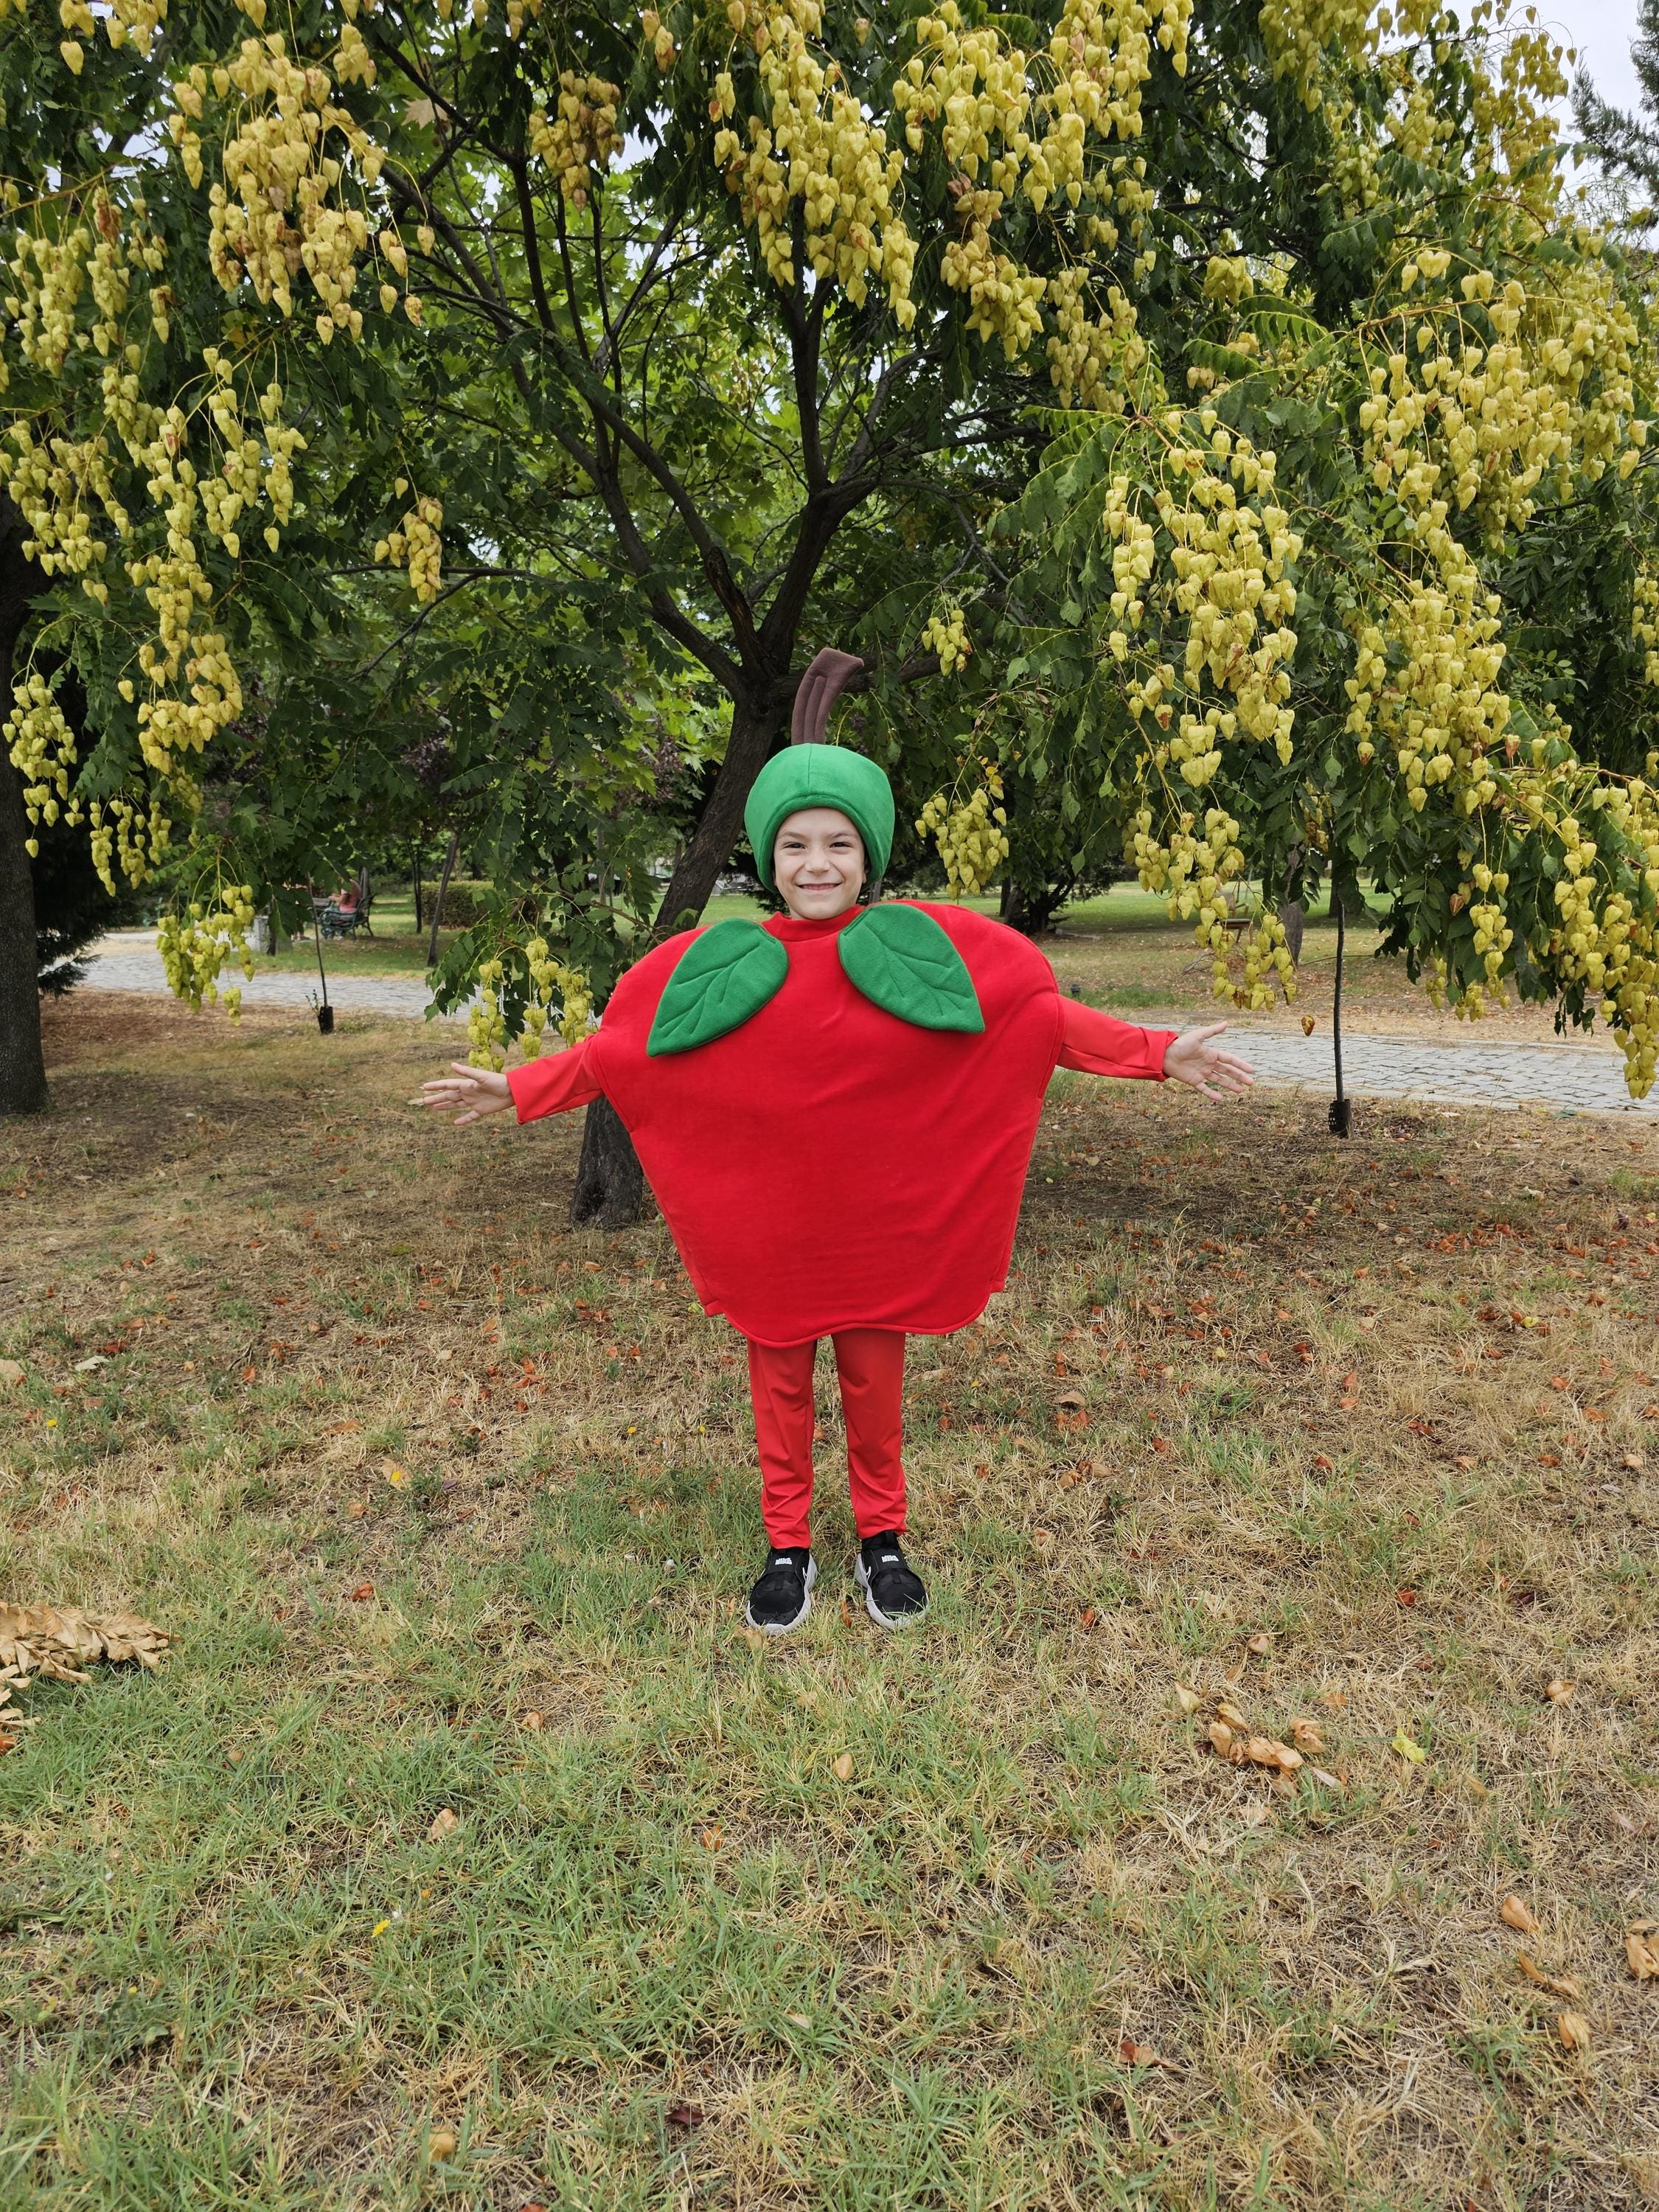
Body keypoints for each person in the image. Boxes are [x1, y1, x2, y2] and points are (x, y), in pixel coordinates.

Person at [420, 651, 1254, 1636]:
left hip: (877, 1228)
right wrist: (518, 1087)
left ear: (869, 858)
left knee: (873, 1382)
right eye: (796, 847)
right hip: (775, 1233)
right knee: (777, 1384)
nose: (817, 865)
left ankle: (881, 1540)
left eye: (839, 846)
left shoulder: (917, 951)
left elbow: (1033, 1021)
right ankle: (786, 1546)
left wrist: (1159, 1053)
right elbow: (626, 1053)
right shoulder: (729, 964)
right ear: (768, 861)